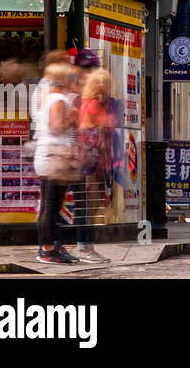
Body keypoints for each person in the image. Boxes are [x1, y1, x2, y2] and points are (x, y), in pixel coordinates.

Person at [32, 61, 81, 263]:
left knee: (49, 205)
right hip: (55, 156)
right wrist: (74, 115)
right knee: (51, 206)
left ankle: (49, 247)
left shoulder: (48, 98)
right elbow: (57, 126)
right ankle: (48, 249)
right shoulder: (58, 99)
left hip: (48, 155)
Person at [73, 68, 113, 262]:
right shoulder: (95, 104)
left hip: (86, 160)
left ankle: (86, 246)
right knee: (87, 206)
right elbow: (107, 125)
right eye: (100, 82)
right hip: (89, 162)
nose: (103, 86)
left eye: (105, 82)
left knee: (85, 206)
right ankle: (84, 248)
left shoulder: (86, 102)